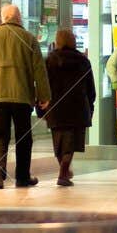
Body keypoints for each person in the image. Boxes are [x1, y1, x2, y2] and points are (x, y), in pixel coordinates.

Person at [0, 3, 50, 189]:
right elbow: (39, 70)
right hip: (21, 97)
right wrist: (44, 95)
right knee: (24, 138)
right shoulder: (29, 39)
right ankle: (22, 177)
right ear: (19, 18)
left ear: (2, 18)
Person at [45, 28, 96, 187]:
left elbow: (43, 83)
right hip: (77, 107)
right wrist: (90, 105)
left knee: (59, 142)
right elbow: (90, 88)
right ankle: (63, 172)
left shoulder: (49, 60)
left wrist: (41, 101)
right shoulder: (82, 60)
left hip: (55, 107)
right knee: (71, 143)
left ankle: (64, 169)